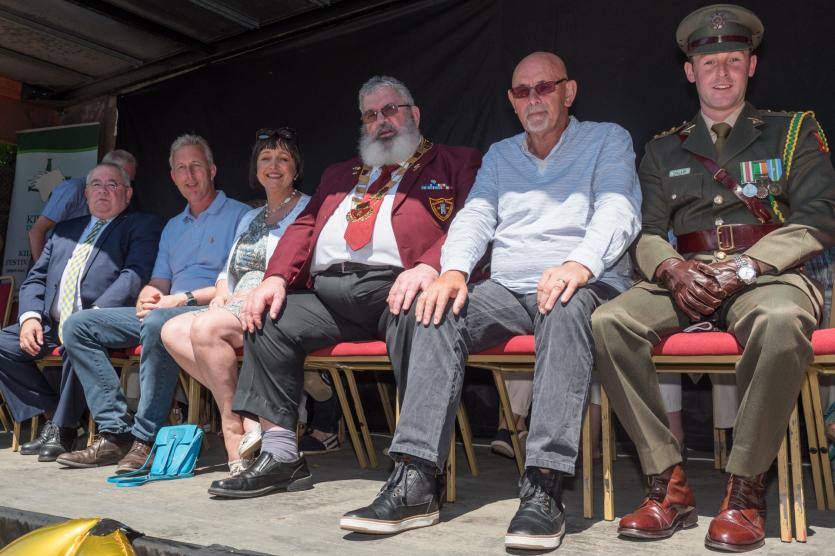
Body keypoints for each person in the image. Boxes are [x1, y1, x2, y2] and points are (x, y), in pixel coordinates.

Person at [341, 52, 642, 551]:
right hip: (508, 289)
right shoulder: (502, 155)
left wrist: (579, 264)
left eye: (544, 88)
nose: (533, 99)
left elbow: (618, 207)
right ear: (511, 101)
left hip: (587, 281)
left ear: (569, 92)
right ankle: (416, 477)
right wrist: (453, 271)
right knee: (434, 309)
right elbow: (476, 215)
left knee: (563, 305)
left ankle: (543, 484)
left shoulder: (606, 139)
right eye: (522, 92)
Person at [591, 4, 835, 552]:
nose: (721, 73)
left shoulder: (793, 130)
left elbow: (820, 217)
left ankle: (745, 491)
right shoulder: (663, 148)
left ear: (752, 66)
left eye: (733, 60)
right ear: (690, 72)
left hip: (768, 275)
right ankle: (668, 484)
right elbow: (645, 231)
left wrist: (747, 266)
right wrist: (672, 268)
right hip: (689, 277)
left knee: (780, 320)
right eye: (709, 63)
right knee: (609, 321)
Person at [206, 75, 481, 498]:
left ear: (414, 114)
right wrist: (275, 277)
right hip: (331, 295)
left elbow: (472, 223)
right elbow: (305, 225)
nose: (381, 121)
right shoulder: (340, 174)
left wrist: (431, 267)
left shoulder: (454, 162)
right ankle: (281, 456)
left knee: (425, 314)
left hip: (400, 289)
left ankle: (419, 465)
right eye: (370, 115)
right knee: (267, 317)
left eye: (390, 110)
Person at [55, 134, 250, 471]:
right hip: (169, 308)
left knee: (159, 322)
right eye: (181, 169)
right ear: (172, 177)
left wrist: (180, 300)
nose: (189, 175)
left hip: (212, 312)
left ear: (212, 170)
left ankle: (145, 439)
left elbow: (234, 284)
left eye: (196, 166)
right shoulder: (173, 226)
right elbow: (160, 281)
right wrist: (149, 293)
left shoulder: (241, 215)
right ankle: (116, 433)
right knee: (78, 325)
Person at [160, 128, 310, 475]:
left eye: (283, 159)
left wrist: (254, 291)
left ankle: (232, 430)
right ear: (256, 169)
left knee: (205, 329)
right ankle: (247, 416)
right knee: (171, 330)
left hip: (278, 302)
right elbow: (227, 271)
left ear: (296, 168)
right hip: (236, 301)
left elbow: (304, 265)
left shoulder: (308, 209)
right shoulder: (250, 217)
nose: (273, 166)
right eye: (265, 158)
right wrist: (221, 293)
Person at [0, 163, 160, 461]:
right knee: (2, 344)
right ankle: (54, 416)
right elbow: (35, 278)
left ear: (128, 194)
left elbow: (135, 274)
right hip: (52, 323)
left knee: (79, 331)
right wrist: (30, 317)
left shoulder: (141, 224)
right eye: (96, 185)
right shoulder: (64, 230)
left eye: (112, 185)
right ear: (86, 194)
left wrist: (95, 315)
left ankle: (63, 427)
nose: (103, 191)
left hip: (103, 321)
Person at [29, 150, 137, 261]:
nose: (127, 185)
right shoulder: (72, 189)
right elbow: (37, 231)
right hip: (51, 260)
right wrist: (41, 269)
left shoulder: (118, 202)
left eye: (130, 181)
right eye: (124, 178)